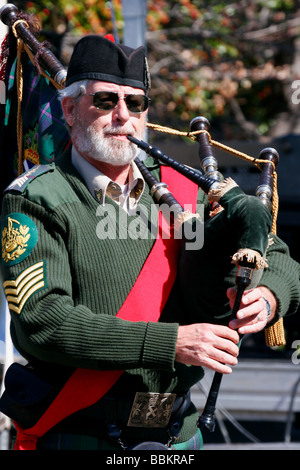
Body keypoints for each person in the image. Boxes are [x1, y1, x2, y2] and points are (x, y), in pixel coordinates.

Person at [0, 35, 300, 451]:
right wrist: (172, 343)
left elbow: (277, 255)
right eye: (105, 101)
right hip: (80, 431)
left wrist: (267, 297)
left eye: (136, 103)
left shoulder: (185, 187)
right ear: (69, 109)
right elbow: (43, 322)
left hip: (177, 433)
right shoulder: (38, 197)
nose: (123, 115)